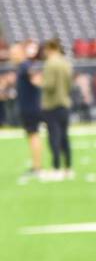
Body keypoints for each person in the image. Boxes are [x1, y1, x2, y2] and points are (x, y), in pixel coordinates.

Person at [41, 37, 74, 175]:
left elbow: (49, 85)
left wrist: (39, 82)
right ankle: (68, 165)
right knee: (64, 135)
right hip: (64, 102)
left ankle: (56, 165)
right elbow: (69, 85)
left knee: (53, 136)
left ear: (50, 48)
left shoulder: (50, 64)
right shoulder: (66, 63)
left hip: (52, 104)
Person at [10, 40, 43, 177]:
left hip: (30, 108)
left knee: (33, 135)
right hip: (29, 107)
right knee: (31, 136)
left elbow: (37, 79)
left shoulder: (25, 66)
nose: (12, 55)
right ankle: (36, 165)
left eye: (14, 52)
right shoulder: (23, 66)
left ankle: (37, 167)